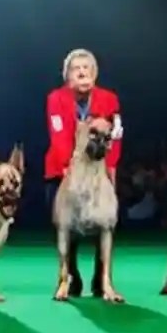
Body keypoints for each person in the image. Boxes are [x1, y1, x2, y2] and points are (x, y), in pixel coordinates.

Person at [43, 48, 123, 297]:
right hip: (62, 168)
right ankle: (69, 276)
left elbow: (116, 136)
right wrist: (69, 168)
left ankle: (103, 279)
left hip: (98, 170)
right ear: (67, 76)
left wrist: (111, 167)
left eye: (87, 68)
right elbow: (58, 136)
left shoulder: (109, 99)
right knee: (66, 225)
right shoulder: (55, 99)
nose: (82, 72)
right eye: (76, 68)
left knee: (105, 222)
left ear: (95, 74)